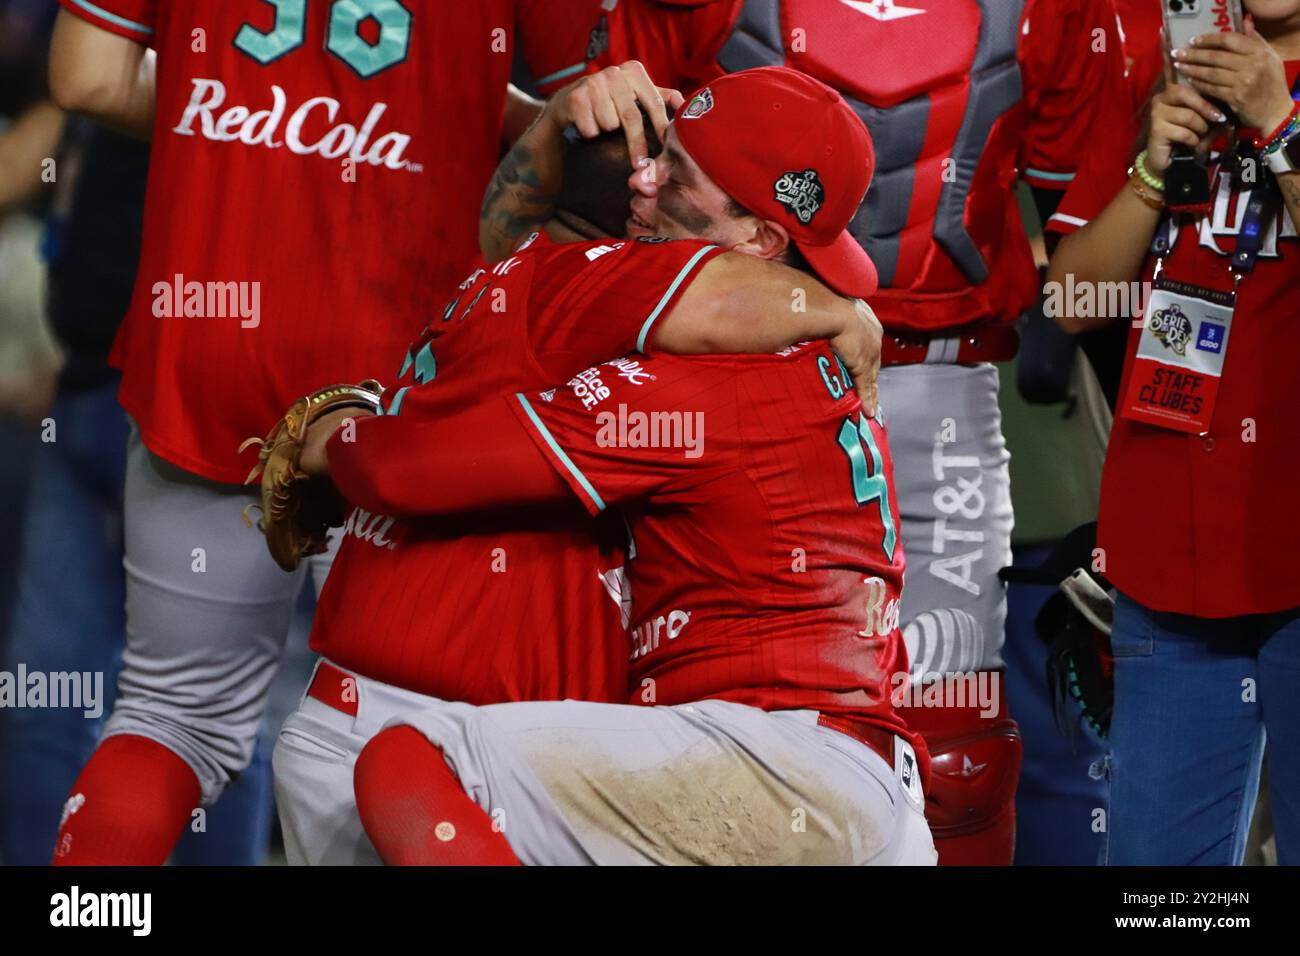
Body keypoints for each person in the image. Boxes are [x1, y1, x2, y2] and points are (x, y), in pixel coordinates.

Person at [485, 0, 1130, 864]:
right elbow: (614, 181)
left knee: (958, 758)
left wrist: (1141, 496)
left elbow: (1089, 252)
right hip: (711, 363)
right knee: (664, 720)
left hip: (938, 383)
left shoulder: (1059, 11)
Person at [307, 67, 933, 866]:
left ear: (759, 240)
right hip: (864, 792)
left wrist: (337, 432)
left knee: (414, 763)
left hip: (772, 770)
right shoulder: (817, 355)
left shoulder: (712, 374)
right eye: (660, 152)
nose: (643, 178)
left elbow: (404, 474)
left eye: (679, 173)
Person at [45, 0, 603, 865]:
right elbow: (595, 140)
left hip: (209, 341)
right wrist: (450, 113)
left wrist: (238, 124)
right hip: (408, 386)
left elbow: (85, 77)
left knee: (172, 717)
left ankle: (88, 917)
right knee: (420, 741)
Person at [1046, 4, 1300, 865]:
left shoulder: (1268, 100)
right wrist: (1150, 174)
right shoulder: (1165, 78)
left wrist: (1280, 125)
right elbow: (1070, 302)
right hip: (1168, 552)